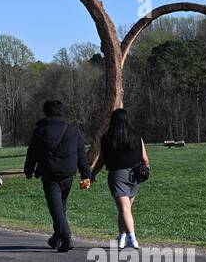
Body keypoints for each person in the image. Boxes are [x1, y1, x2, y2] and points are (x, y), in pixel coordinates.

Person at [22, 100, 93, 253]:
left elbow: (32, 153)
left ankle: (66, 238)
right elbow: (81, 155)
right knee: (60, 208)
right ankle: (56, 237)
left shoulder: (41, 130)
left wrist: (28, 170)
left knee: (56, 209)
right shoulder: (74, 130)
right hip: (68, 175)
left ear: (46, 112)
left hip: (50, 175)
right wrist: (86, 175)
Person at [95, 108, 149, 250]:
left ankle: (132, 239)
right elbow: (145, 159)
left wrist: (92, 174)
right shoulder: (137, 137)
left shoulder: (107, 138)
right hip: (135, 175)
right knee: (126, 209)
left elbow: (101, 160)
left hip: (117, 175)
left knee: (124, 209)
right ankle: (121, 237)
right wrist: (145, 171)